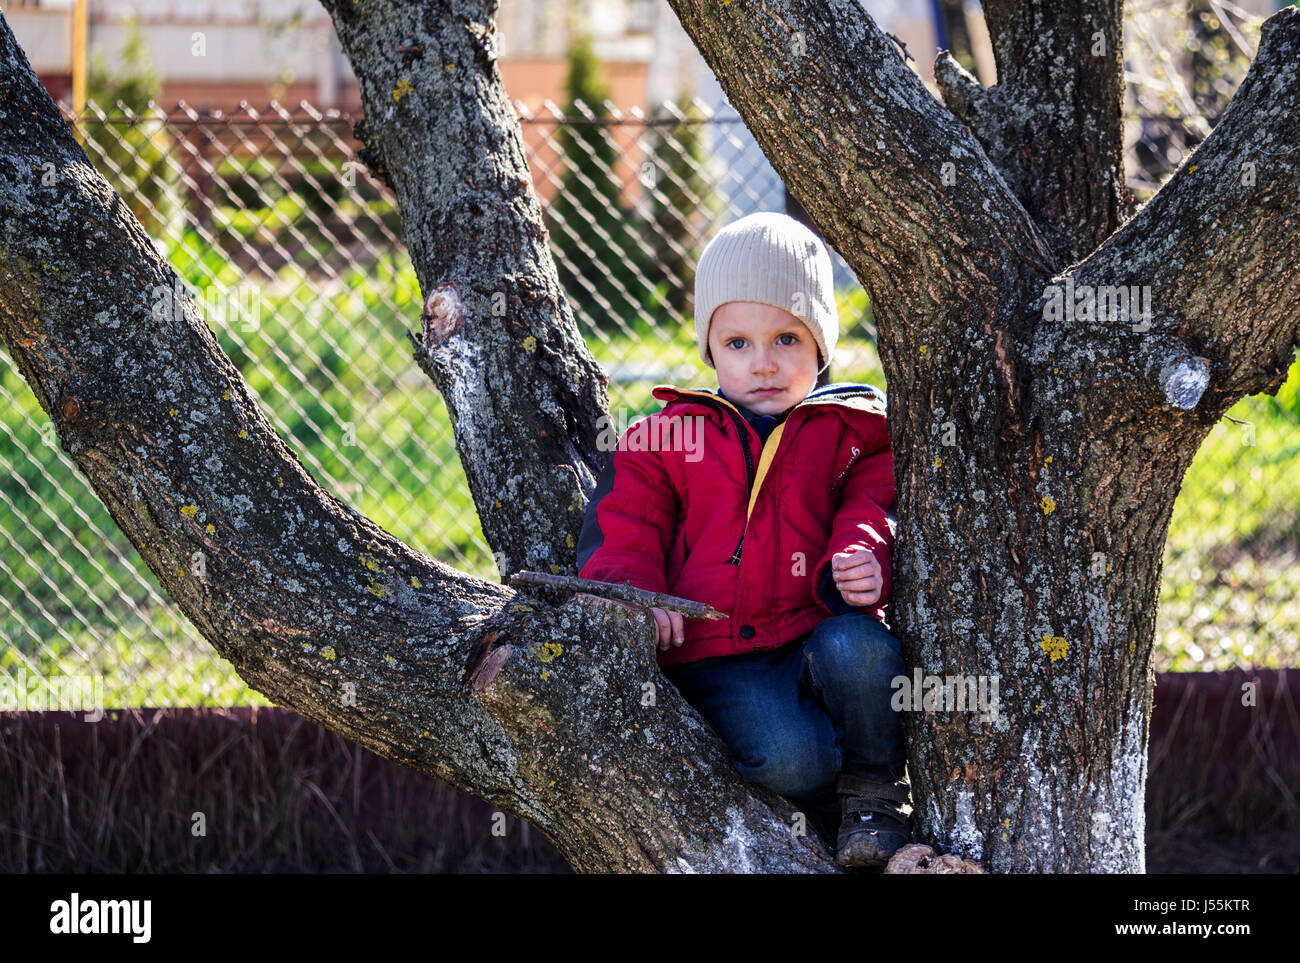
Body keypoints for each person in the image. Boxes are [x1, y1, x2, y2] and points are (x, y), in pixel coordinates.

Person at [575, 211, 910, 869]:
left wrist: (866, 554)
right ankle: (819, 806)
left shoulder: (854, 432)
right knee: (792, 757)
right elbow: (627, 523)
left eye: (787, 337)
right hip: (719, 652)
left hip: (815, 636)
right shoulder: (668, 436)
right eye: (737, 343)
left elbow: (874, 505)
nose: (763, 364)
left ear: (821, 344)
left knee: (864, 650)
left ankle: (875, 794)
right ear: (710, 348)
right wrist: (642, 595)